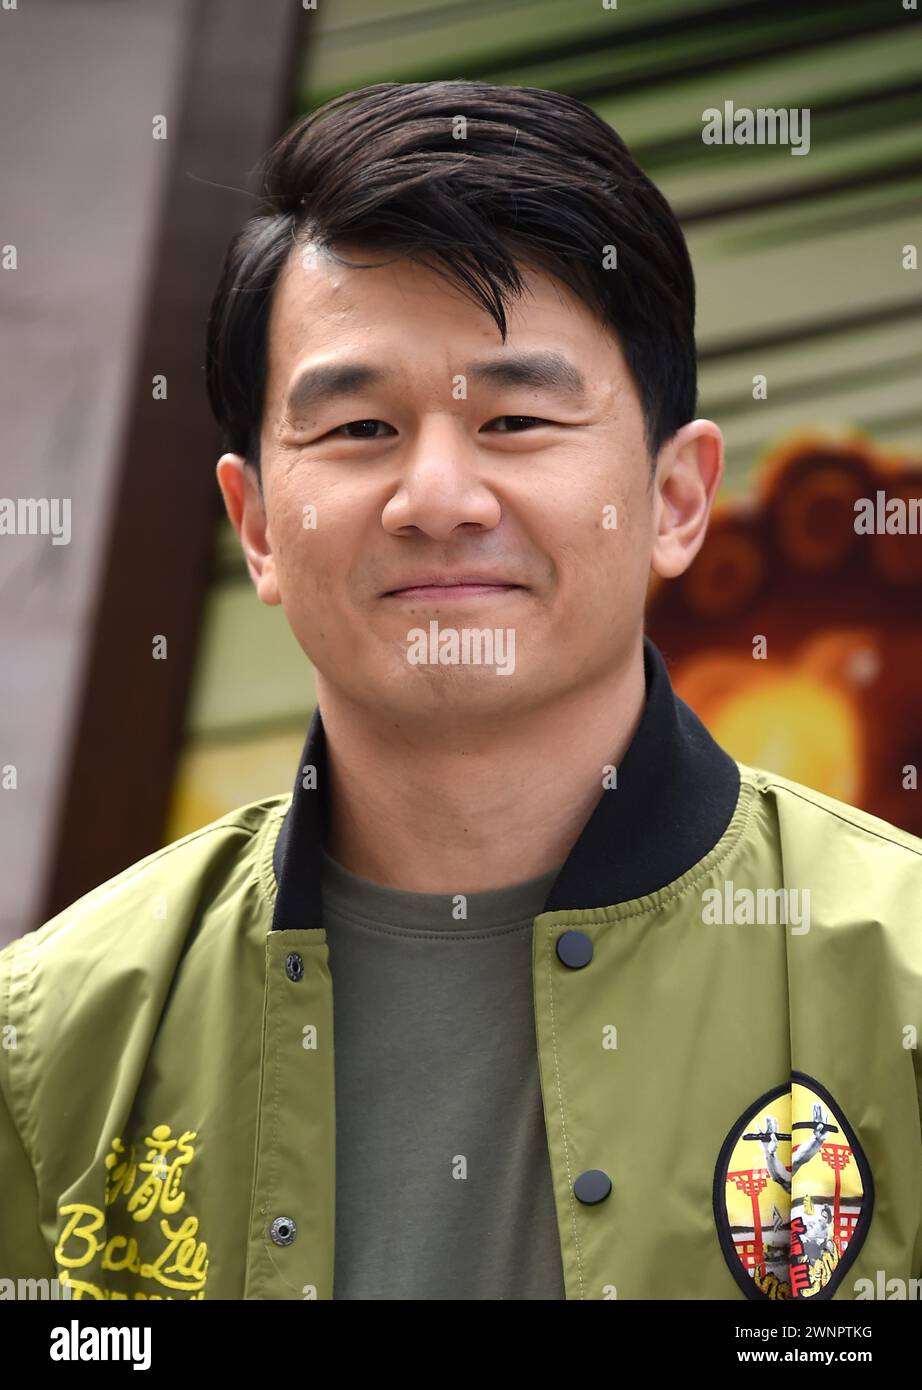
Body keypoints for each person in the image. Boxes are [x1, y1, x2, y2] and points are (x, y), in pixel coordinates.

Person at [1, 80, 920, 1303]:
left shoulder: (897, 981)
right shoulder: (56, 1039)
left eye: (519, 417)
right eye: (361, 428)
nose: (437, 496)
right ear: (258, 525)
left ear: (678, 499)